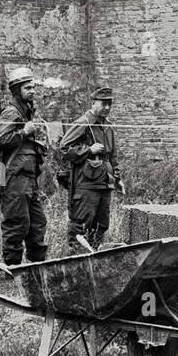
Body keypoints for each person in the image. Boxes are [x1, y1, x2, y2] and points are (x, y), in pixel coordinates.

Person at [0, 66, 51, 266]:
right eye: (28, 88)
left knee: (37, 224)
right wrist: (25, 132)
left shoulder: (26, 111)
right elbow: (2, 139)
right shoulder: (11, 112)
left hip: (28, 180)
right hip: (14, 179)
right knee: (17, 223)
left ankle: (37, 267)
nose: (32, 91)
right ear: (17, 90)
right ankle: (13, 268)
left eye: (33, 87)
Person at [59, 85, 123, 250]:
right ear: (93, 103)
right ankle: (76, 260)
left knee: (101, 225)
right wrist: (88, 150)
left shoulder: (107, 126)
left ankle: (95, 260)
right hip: (86, 186)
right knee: (81, 225)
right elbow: (64, 147)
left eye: (110, 103)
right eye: (103, 103)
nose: (107, 107)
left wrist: (117, 178)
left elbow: (112, 156)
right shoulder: (83, 123)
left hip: (105, 183)